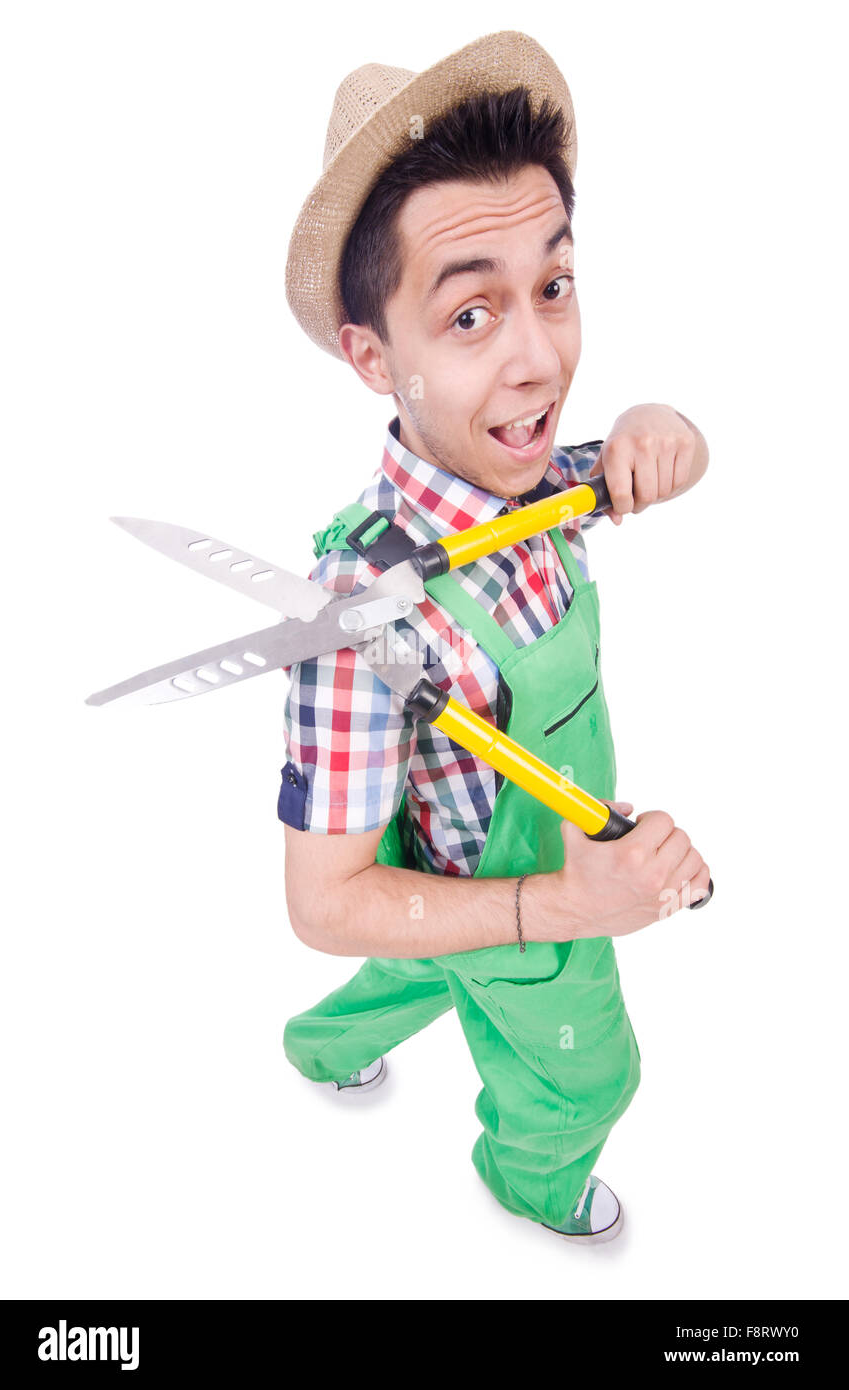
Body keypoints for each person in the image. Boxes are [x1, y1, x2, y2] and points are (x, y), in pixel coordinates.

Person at [278, 30, 710, 1243]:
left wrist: (658, 424)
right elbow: (326, 901)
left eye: (553, 286)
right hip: (516, 891)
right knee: (590, 1076)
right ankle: (532, 1188)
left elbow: (650, 456)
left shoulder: (541, 481)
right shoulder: (356, 618)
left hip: (497, 854)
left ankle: (323, 1044)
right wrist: (556, 912)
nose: (539, 360)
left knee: (416, 963)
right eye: (471, 312)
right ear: (375, 354)